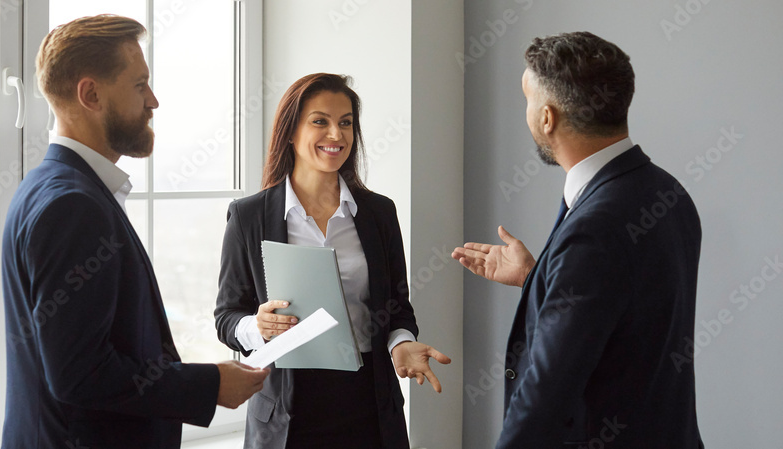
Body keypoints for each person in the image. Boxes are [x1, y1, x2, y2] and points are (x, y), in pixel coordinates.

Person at [0, 15, 268, 449]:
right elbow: (80, 374)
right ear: (91, 94)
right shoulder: (73, 206)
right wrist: (209, 385)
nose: (154, 101)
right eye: (140, 85)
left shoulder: (47, 187)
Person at [452, 32, 704, 448]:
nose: (527, 113)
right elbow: (622, 309)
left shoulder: (594, 227)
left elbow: (547, 391)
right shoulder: (667, 192)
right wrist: (539, 278)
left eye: (527, 100)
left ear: (547, 117)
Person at [214, 73, 451, 449]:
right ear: (291, 131)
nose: (336, 135)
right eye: (320, 121)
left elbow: (397, 308)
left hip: (368, 406)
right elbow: (226, 317)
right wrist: (257, 326)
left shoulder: (378, 213)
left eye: (346, 123)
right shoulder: (249, 216)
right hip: (286, 414)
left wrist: (401, 343)